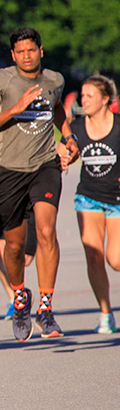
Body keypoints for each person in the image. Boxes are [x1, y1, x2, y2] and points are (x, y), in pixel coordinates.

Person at [0, 26, 67, 341]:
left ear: (40, 51)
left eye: (31, 50)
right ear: (13, 55)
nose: (26, 56)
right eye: (20, 52)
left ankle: (46, 308)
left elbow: (56, 108)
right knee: (14, 246)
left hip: (45, 165)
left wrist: (68, 136)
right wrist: (15, 110)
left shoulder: (54, 80)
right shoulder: (1, 81)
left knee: (46, 230)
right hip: (9, 170)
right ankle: (19, 297)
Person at [66, 75, 120, 333]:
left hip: (117, 200)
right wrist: (63, 157)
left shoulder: (118, 125)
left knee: (116, 260)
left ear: (105, 99)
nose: (84, 100)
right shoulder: (76, 127)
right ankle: (105, 313)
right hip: (87, 197)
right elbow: (64, 150)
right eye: (83, 96)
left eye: (90, 96)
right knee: (93, 255)